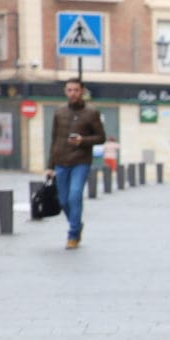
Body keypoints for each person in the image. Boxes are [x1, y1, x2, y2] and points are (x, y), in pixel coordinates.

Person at [46, 78, 106, 249]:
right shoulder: (59, 112)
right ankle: (77, 225)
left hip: (81, 160)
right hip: (61, 161)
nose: (73, 93)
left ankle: (72, 235)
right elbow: (54, 139)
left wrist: (83, 140)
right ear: (66, 92)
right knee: (64, 200)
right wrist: (50, 166)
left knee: (75, 195)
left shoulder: (91, 112)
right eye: (69, 90)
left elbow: (101, 137)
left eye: (76, 90)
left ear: (82, 92)